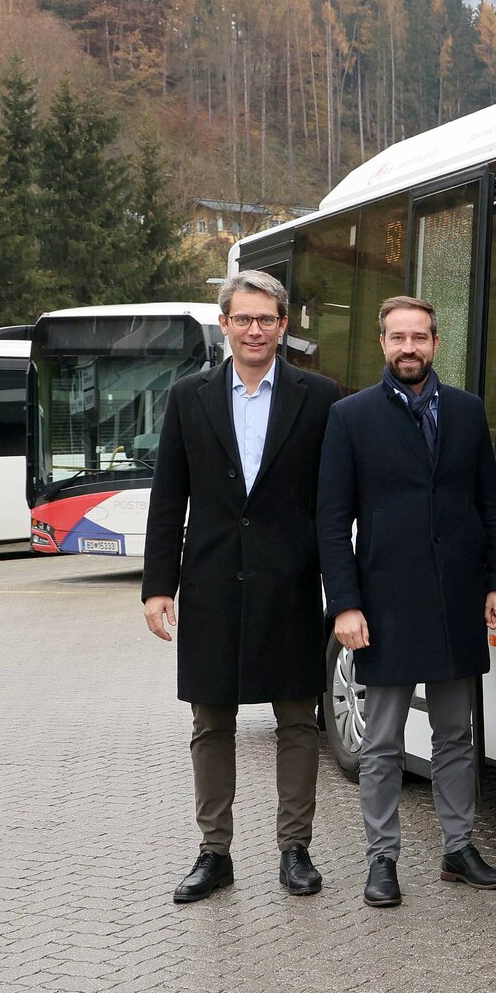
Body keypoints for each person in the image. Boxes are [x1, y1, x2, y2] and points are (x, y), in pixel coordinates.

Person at [141, 270, 341, 904]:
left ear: (284, 326)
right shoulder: (188, 396)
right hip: (211, 583)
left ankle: (295, 849)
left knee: (297, 720)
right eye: (243, 318)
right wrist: (156, 585)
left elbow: (333, 505)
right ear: (224, 324)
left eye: (267, 319)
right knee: (211, 720)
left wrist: (342, 591)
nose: (255, 329)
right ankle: (214, 852)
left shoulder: (320, 397)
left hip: (290, 582)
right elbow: (169, 498)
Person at [318, 295, 496, 909]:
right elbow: (331, 521)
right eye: (398, 337)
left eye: (420, 338)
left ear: (436, 342)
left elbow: (490, 505)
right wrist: (344, 605)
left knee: (457, 735)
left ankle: (458, 849)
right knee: (382, 744)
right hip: (385, 606)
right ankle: (382, 860)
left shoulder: (464, 411)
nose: (409, 348)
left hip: (457, 601)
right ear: (382, 343)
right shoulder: (350, 418)